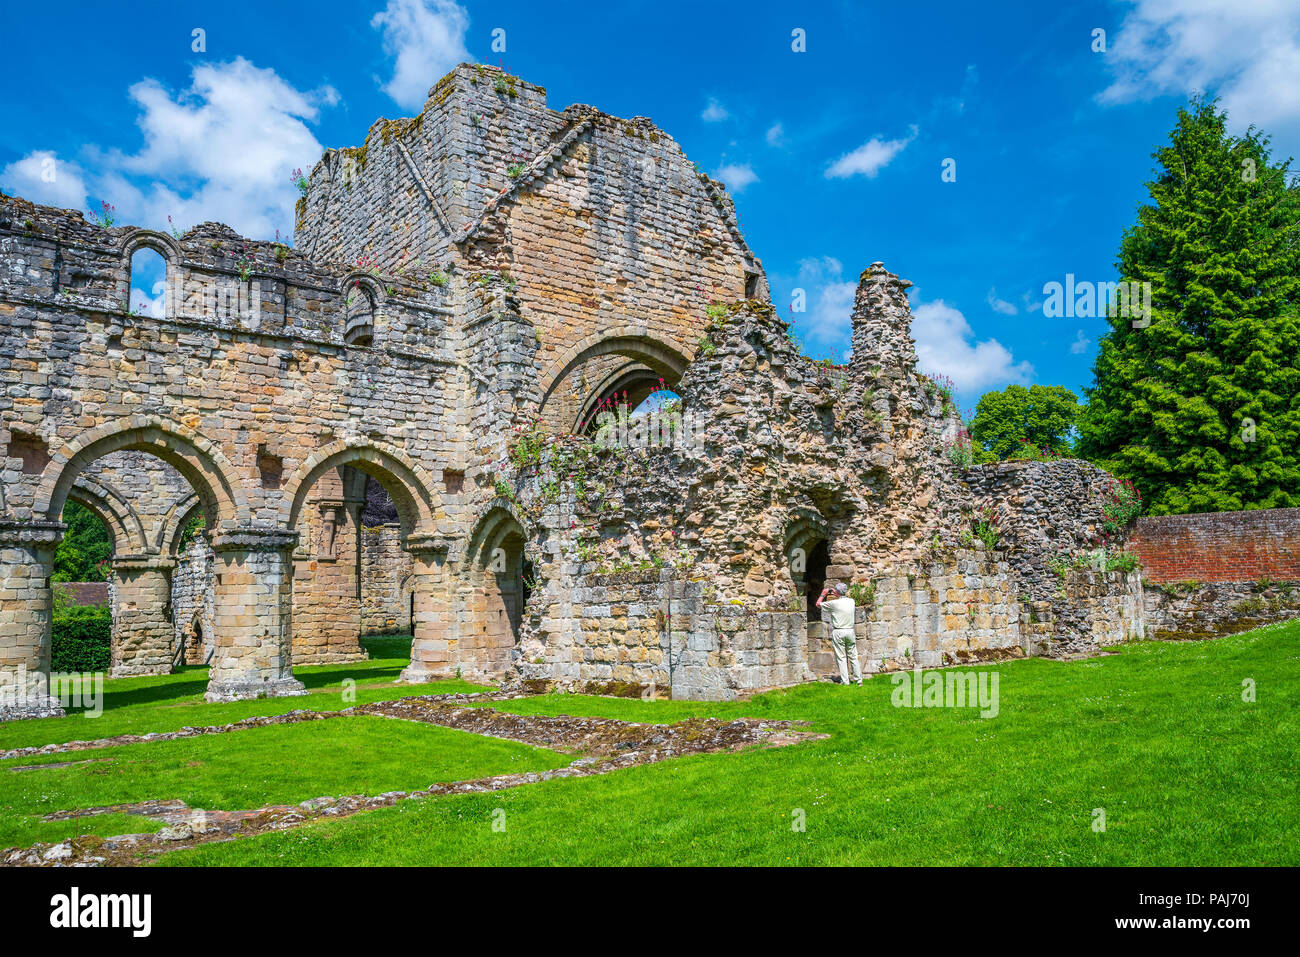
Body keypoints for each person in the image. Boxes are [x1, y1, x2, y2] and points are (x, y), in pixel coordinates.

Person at [816, 581, 862, 685]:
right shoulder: (852, 601)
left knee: (841, 657)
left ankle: (845, 681)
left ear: (836, 592)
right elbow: (841, 596)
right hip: (850, 631)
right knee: (853, 656)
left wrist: (823, 593)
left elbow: (818, 604)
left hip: (839, 631)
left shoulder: (834, 603)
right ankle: (859, 680)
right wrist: (836, 593)